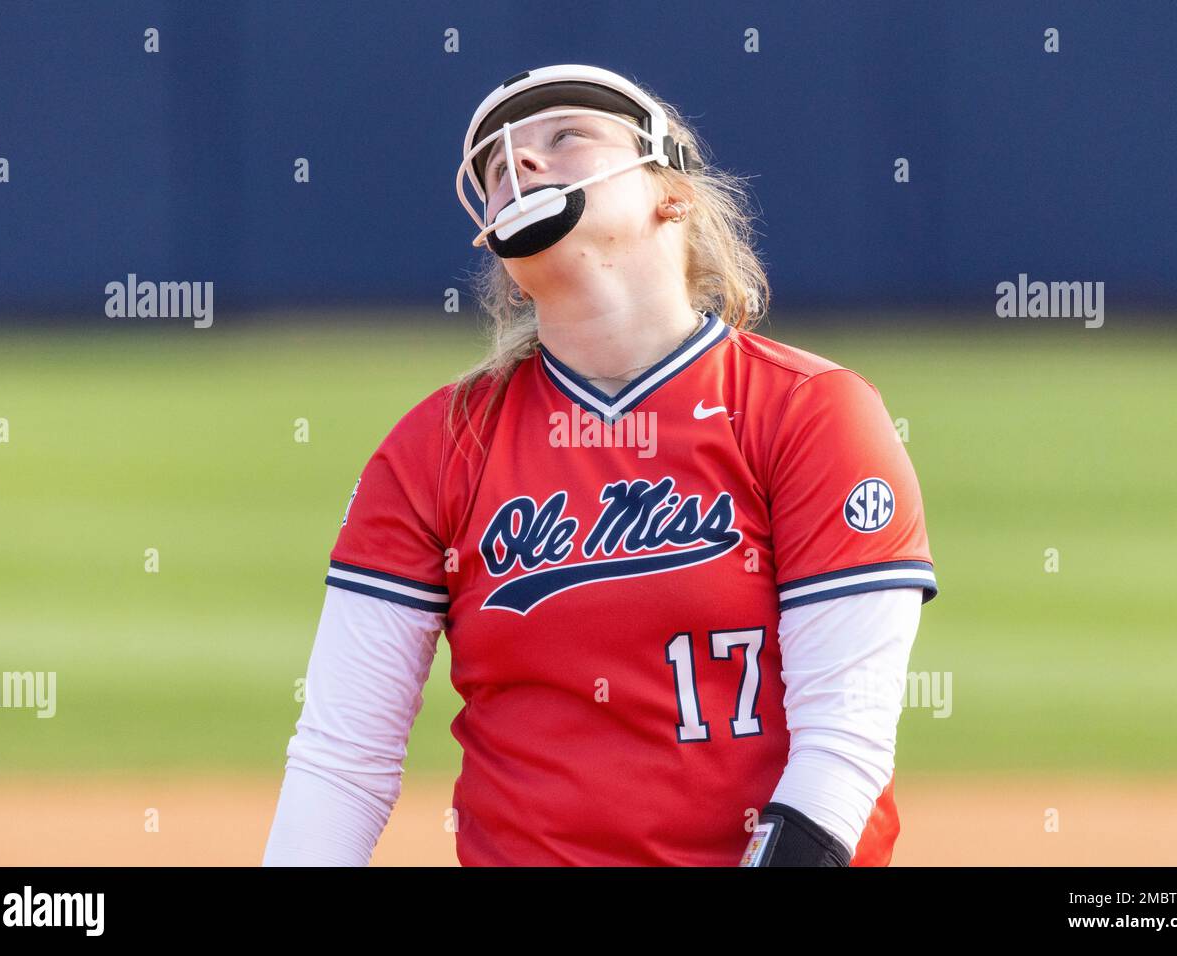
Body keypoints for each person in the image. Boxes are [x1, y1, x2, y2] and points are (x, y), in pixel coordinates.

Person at [263, 64, 937, 867]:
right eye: (496, 166)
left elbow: (845, 745)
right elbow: (344, 759)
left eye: (565, 136)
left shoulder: (808, 410)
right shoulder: (436, 447)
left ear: (672, 194)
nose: (521, 165)